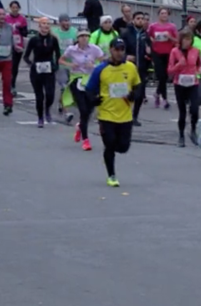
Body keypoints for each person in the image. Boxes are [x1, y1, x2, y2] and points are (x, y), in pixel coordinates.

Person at [86, 39, 141, 187]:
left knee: (123, 147)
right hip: (106, 115)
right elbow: (89, 89)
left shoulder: (130, 67)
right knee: (109, 144)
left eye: (122, 49)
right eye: (116, 49)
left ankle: (111, 152)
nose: (119, 52)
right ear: (111, 50)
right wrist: (94, 99)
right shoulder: (101, 69)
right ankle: (111, 175)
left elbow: (138, 86)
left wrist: (133, 95)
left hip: (125, 115)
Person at [59, 29, 104, 150]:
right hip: (77, 80)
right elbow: (61, 60)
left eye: (86, 36)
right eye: (81, 36)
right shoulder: (71, 49)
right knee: (83, 110)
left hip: (90, 81)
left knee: (89, 110)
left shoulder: (94, 49)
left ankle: (80, 126)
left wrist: (93, 66)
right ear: (77, 38)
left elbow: (103, 62)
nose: (84, 38)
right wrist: (70, 65)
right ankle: (86, 140)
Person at [24, 17, 62, 127]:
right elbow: (26, 56)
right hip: (37, 71)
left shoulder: (53, 39)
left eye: (47, 24)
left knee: (50, 95)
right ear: (39, 26)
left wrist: (56, 66)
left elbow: (58, 54)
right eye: (43, 24)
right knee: (39, 96)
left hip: (49, 70)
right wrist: (32, 64)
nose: (46, 26)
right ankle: (40, 117)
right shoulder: (34, 39)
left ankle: (47, 110)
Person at [168, 31, 201, 147]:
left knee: (194, 109)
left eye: (190, 40)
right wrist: (179, 65)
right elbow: (170, 70)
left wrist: (199, 72)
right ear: (181, 40)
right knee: (182, 111)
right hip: (180, 83)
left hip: (193, 83)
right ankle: (181, 135)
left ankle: (193, 130)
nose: (187, 42)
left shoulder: (196, 51)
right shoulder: (175, 51)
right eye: (185, 39)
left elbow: (199, 65)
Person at [120, 11, 152, 126]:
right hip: (128, 68)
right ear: (133, 20)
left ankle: (135, 116)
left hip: (141, 68)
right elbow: (119, 49)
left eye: (142, 19)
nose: (140, 21)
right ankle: (124, 115)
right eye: (138, 18)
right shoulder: (126, 33)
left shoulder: (145, 34)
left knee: (139, 94)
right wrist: (125, 57)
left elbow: (149, 50)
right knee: (127, 93)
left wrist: (149, 53)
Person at [148, 8, 178, 110]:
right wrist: (153, 40)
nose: (164, 15)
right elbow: (148, 37)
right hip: (156, 52)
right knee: (161, 76)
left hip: (168, 52)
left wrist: (170, 37)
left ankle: (157, 93)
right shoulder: (153, 26)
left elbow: (177, 40)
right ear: (159, 15)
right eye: (162, 13)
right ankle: (164, 99)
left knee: (165, 76)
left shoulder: (172, 27)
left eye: (166, 13)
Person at [0, 8, 17, 115]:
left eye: (3, 14)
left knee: (7, 82)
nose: (2, 17)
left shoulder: (9, 28)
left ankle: (8, 105)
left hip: (7, 59)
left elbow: (12, 41)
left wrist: (16, 48)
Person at [5, 1, 29, 88]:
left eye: (16, 7)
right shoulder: (6, 18)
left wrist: (20, 29)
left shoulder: (22, 19)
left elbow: (25, 33)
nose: (15, 9)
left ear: (19, 8)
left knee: (15, 66)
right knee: (8, 65)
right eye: (13, 7)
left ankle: (13, 84)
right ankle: (8, 83)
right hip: (8, 44)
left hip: (18, 45)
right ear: (10, 8)